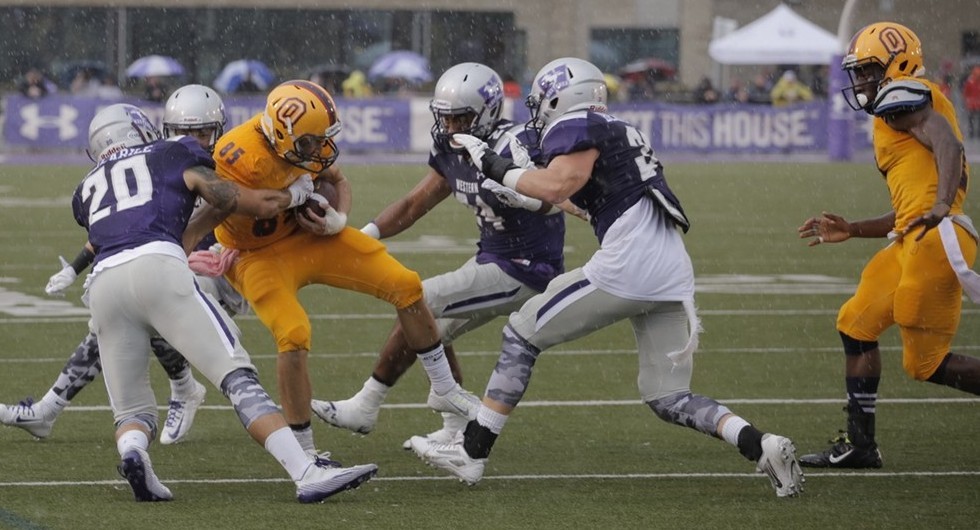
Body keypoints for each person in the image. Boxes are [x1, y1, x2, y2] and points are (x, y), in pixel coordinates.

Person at [410, 57, 805, 498]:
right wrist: (523, 189)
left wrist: (496, 167)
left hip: (629, 265)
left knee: (522, 332)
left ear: (560, 98)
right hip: (670, 271)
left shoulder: (576, 123)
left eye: (542, 102)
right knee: (667, 395)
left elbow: (559, 184)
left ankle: (472, 451)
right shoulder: (617, 129)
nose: (538, 112)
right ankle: (761, 444)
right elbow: (581, 201)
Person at [72, 102, 376, 502]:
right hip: (157, 265)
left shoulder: (86, 188)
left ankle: (133, 452)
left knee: (131, 408)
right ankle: (305, 471)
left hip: (104, 283)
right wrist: (293, 194)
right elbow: (241, 202)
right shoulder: (172, 152)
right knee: (236, 376)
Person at [185, 80, 479, 457]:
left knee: (406, 284)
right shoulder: (238, 155)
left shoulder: (302, 137)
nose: (316, 149)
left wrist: (337, 220)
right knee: (292, 333)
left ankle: (445, 389)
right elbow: (260, 205)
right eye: (308, 143)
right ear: (280, 133)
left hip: (308, 238)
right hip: (254, 254)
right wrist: (297, 194)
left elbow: (337, 179)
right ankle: (305, 453)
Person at [310, 63, 566, 446]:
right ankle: (454, 430)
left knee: (417, 298)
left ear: (487, 111)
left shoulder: (514, 145)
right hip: (492, 259)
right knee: (429, 330)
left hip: (527, 268)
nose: (449, 128)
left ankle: (367, 403)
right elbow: (414, 204)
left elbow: (556, 196)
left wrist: (530, 196)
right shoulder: (451, 146)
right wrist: (362, 237)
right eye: (444, 118)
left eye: (459, 118)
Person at [0, 85, 232, 445]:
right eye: (185, 133)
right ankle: (48, 409)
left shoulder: (208, 162)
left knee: (139, 306)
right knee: (114, 318)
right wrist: (73, 268)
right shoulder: (160, 161)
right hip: (164, 265)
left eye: (202, 132)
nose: (193, 141)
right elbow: (113, 233)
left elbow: (246, 205)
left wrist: (229, 247)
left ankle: (183, 388)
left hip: (214, 272)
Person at [797, 22, 980, 468]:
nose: (860, 82)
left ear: (897, 64)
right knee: (855, 324)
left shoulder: (905, 98)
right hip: (912, 236)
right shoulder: (894, 111)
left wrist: (940, 203)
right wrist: (854, 228)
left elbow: (949, 144)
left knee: (926, 365)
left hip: (936, 237)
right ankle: (861, 446)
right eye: (857, 72)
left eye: (867, 71)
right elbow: (906, 211)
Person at [961, 65, 980, 139]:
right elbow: (966, 92)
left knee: (972, 119)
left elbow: (966, 92)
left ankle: (973, 132)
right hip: (973, 104)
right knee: (973, 119)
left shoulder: (970, 81)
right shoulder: (970, 82)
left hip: (972, 104)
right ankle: (974, 133)